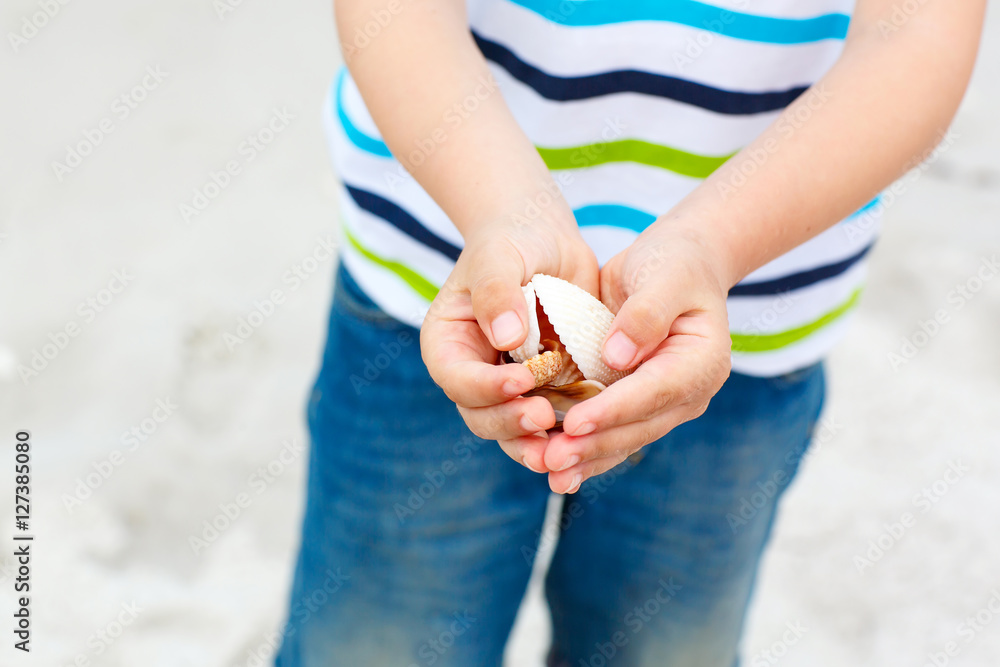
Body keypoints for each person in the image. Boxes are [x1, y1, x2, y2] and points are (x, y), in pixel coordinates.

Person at [276, 1, 985, 665]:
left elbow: (916, 39)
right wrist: (500, 209)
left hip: (737, 317)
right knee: (376, 638)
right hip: (448, 281)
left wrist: (712, 246)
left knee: (659, 644)